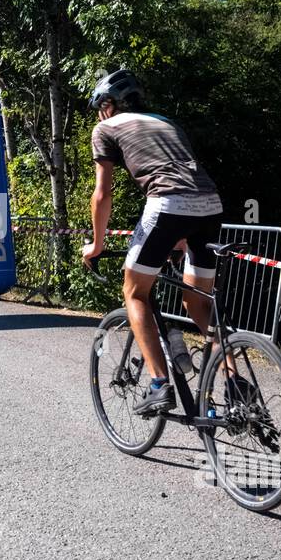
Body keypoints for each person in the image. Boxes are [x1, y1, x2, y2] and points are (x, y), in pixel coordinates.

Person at [80, 69, 225, 415]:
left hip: (167, 203)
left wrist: (96, 245)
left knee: (135, 292)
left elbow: (102, 194)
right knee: (199, 305)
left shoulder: (105, 128)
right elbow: (184, 174)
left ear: (109, 104)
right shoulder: (167, 123)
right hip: (210, 204)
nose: (100, 114)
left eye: (101, 107)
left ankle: (159, 384)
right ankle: (238, 386)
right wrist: (179, 237)